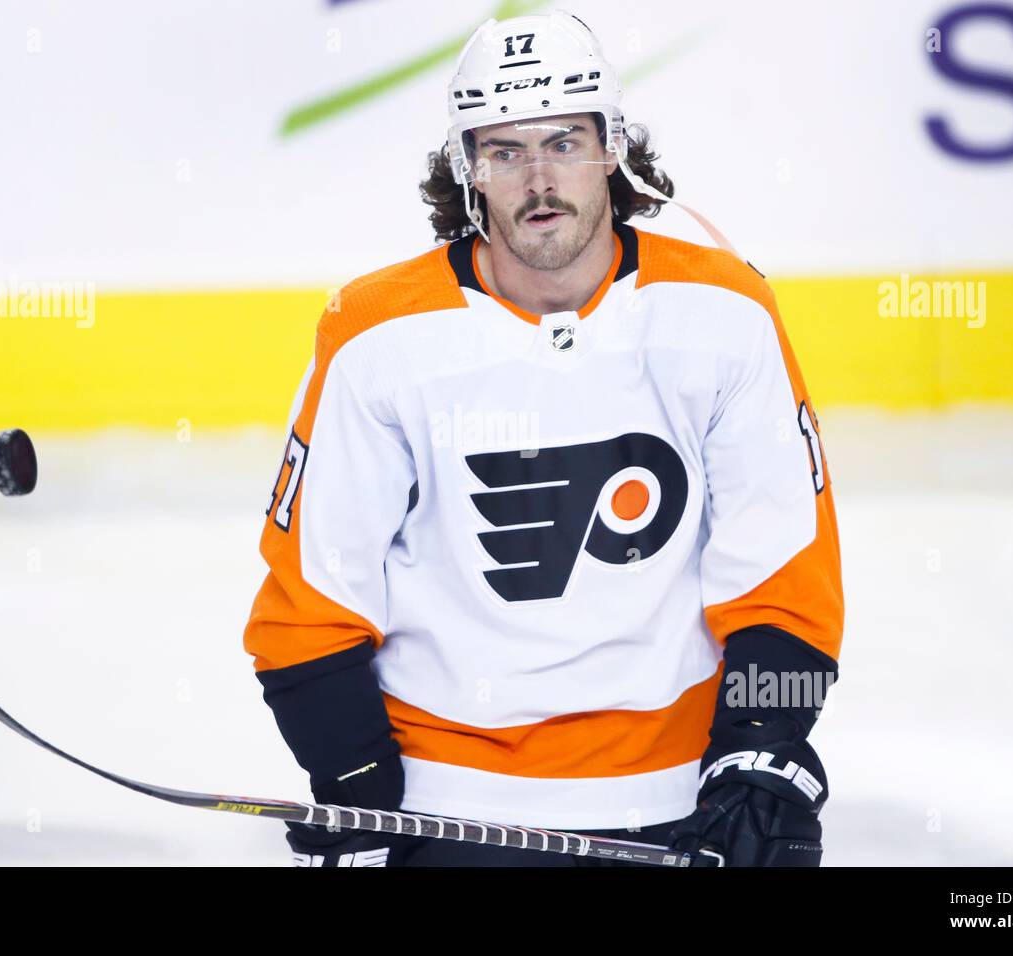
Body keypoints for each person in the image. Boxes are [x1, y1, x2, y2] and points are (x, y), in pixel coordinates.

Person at [243, 9, 844, 867]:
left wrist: (760, 750)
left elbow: (786, 576)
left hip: (678, 797)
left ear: (614, 150)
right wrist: (355, 777)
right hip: (448, 805)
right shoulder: (375, 335)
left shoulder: (725, 312)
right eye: (504, 150)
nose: (538, 179)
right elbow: (310, 603)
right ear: (467, 171)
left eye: (564, 141)